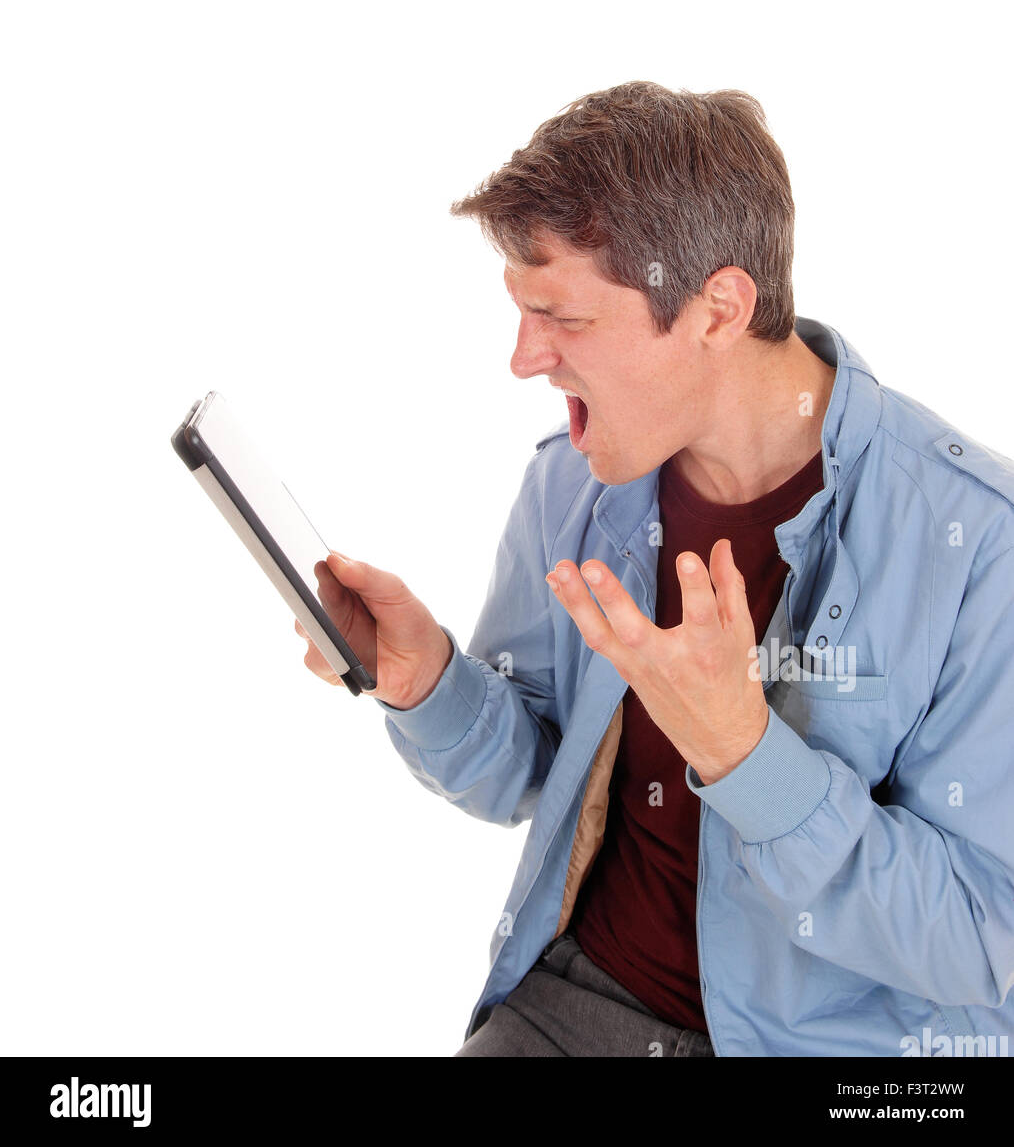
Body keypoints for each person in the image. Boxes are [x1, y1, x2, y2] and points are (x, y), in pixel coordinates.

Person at [296, 82, 1014, 1057]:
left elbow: (984, 938)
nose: (523, 358)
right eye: (521, 311)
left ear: (719, 307)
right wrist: (428, 684)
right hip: (581, 1003)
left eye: (564, 318)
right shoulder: (572, 484)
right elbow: (534, 771)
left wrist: (748, 757)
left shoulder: (978, 547)